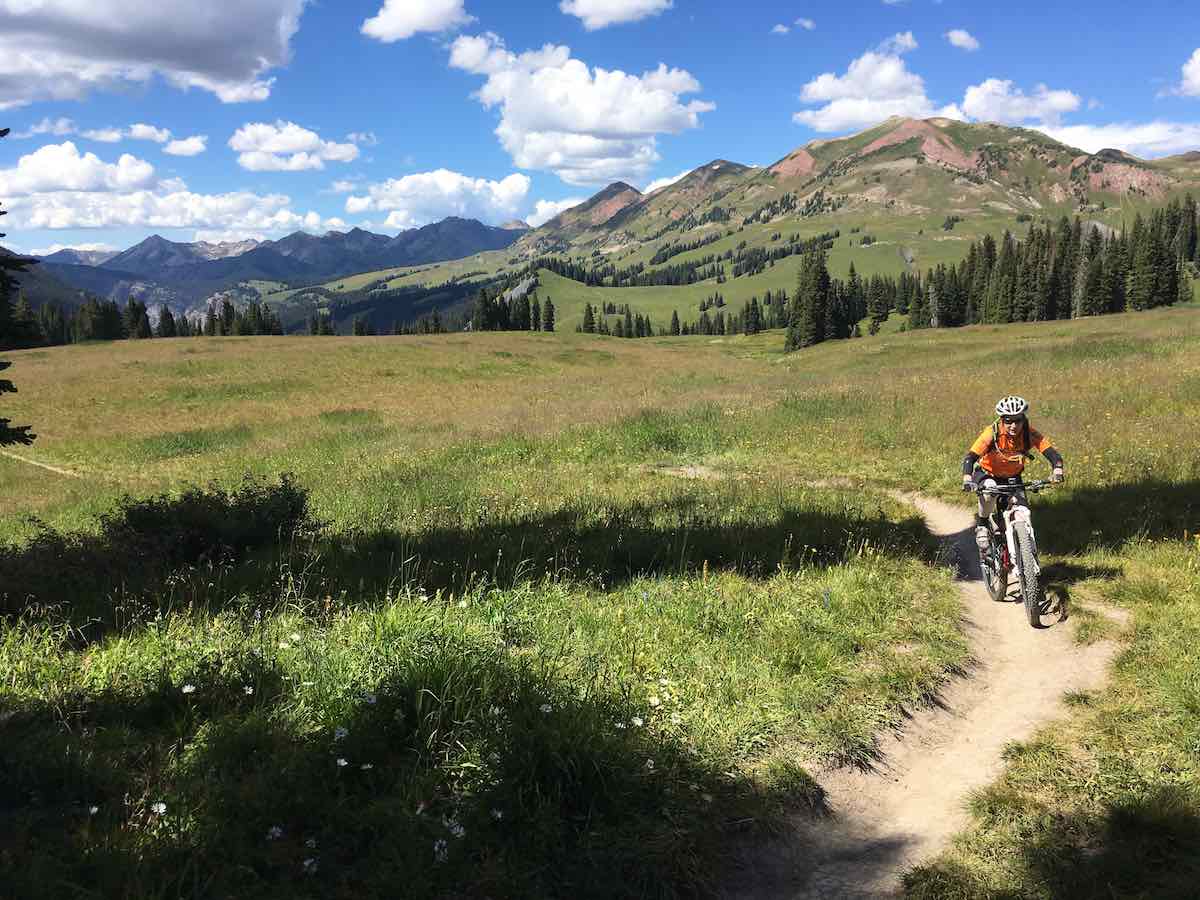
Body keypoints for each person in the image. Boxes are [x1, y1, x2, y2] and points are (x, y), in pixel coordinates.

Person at [962, 395, 1064, 550]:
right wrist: (967, 479)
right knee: (989, 492)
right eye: (1008, 420)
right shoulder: (992, 433)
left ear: (1024, 419)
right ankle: (982, 524)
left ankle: (1026, 554)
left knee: (1023, 511)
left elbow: (1052, 454)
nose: (1013, 425)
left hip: (1013, 477)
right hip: (987, 474)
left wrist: (1057, 470)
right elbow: (970, 458)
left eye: (1018, 420)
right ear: (1002, 419)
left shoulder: (1029, 433)